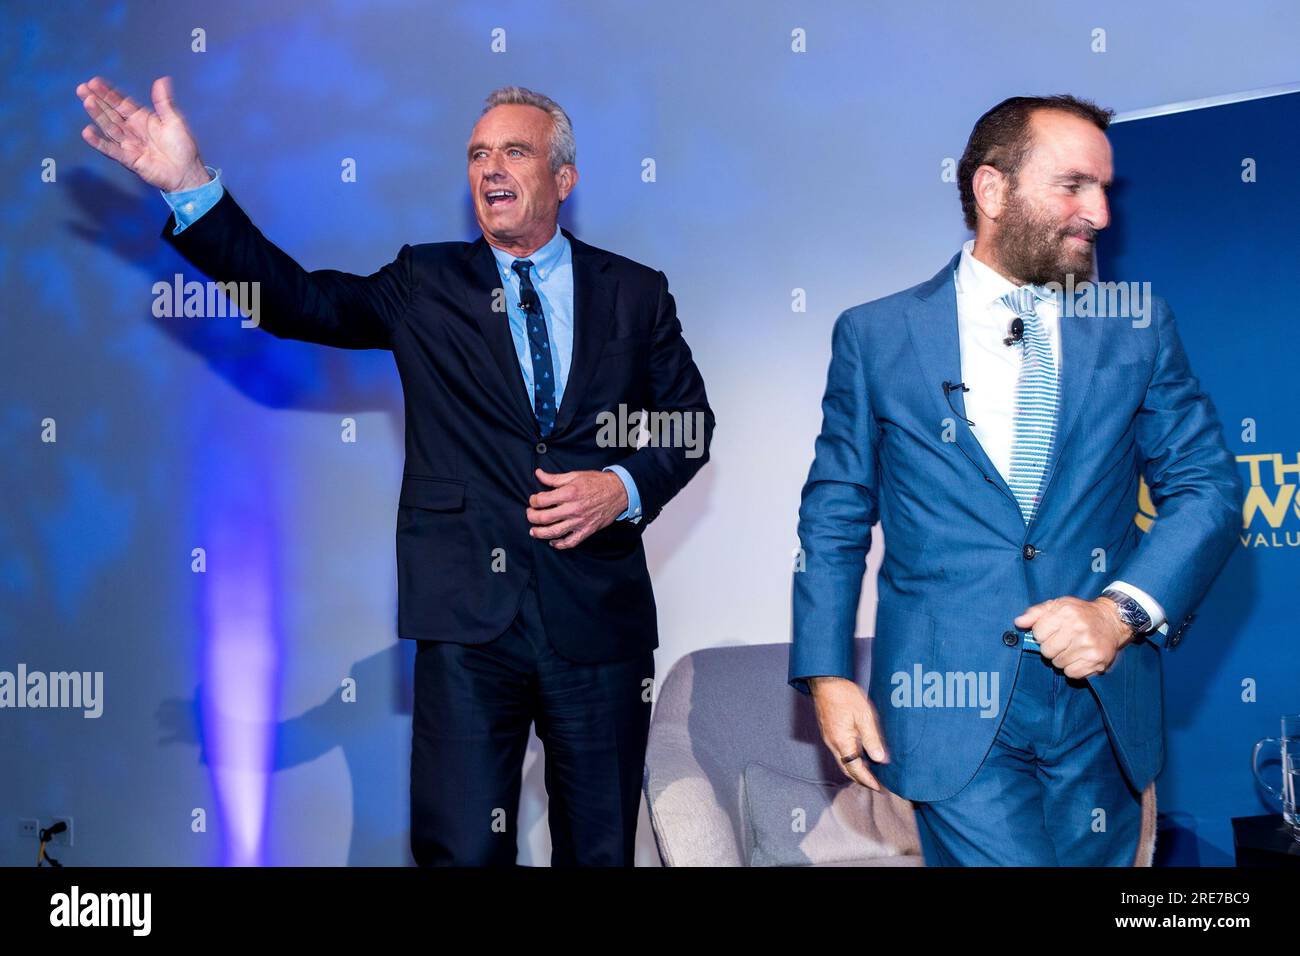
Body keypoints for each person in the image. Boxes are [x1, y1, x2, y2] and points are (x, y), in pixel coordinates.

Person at [77, 75, 714, 866]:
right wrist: (191, 189)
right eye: (478, 154)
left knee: (600, 851)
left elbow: (690, 426)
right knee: (460, 850)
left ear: (564, 177)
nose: (490, 170)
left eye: (514, 151)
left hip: (598, 625)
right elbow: (296, 302)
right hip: (466, 624)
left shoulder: (635, 293)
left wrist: (619, 487)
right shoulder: (427, 282)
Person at [789, 94, 1241, 865]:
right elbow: (835, 514)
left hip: (1103, 704)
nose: (1099, 213)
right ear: (991, 192)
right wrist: (827, 671)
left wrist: (1119, 613)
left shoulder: (1137, 324)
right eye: (1074, 186)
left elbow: (1207, 488)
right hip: (947, 706)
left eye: (1105, 189)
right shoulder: (876, 335)